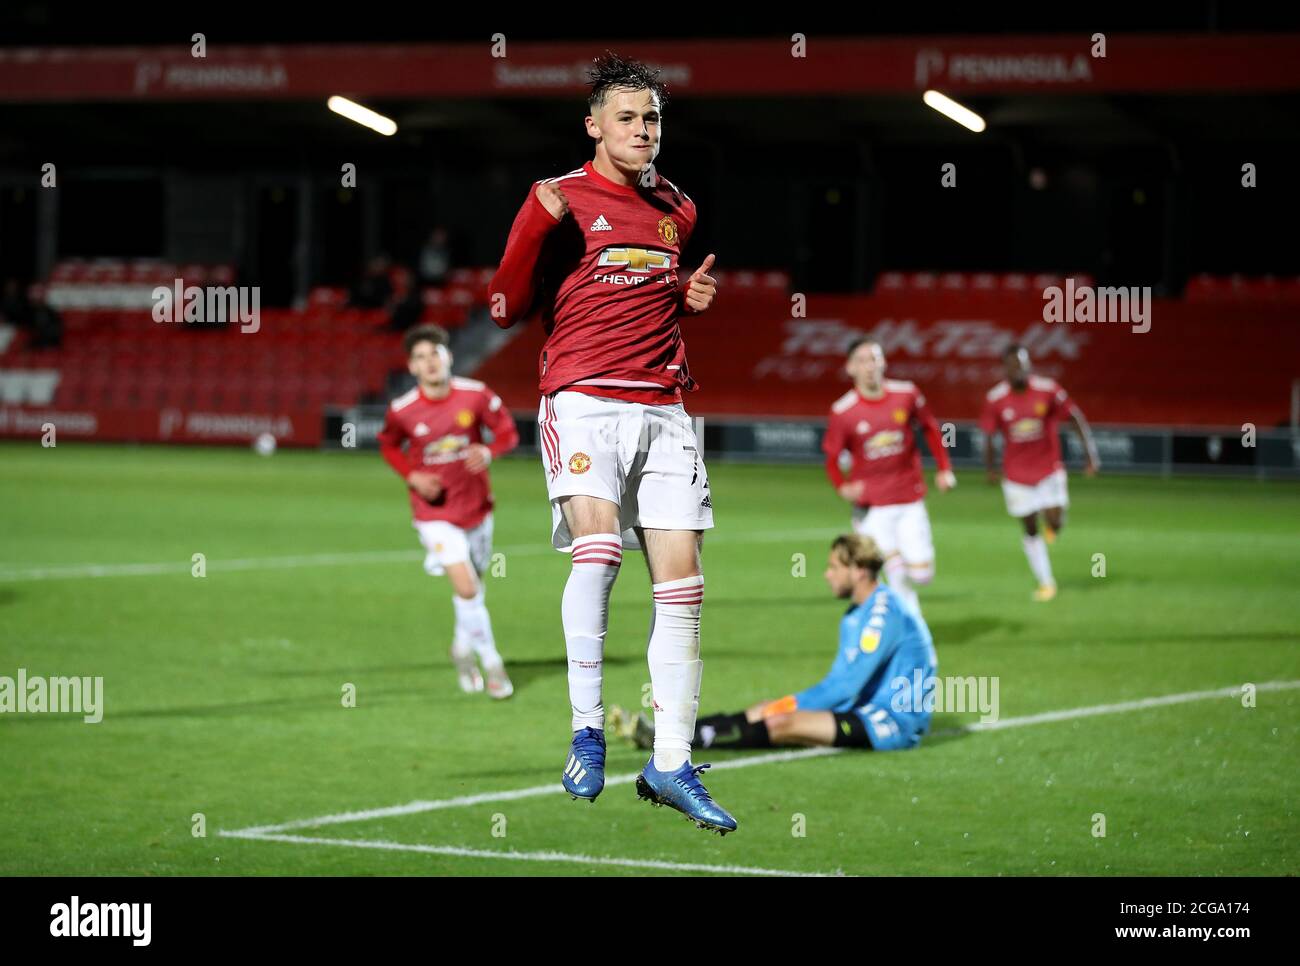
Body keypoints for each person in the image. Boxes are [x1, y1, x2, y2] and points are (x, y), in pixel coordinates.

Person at [486, 52, 735, 834]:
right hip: (585, 401)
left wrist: (687, 300)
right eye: (626, 118)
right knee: (601, 552)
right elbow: (502, 307)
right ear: (593, 126)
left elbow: (648, 297)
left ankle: (669, 761)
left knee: (685, 585)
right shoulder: (560, 199)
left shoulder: (677, 209)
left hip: (663, 406)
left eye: (652, 118)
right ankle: (588, 729)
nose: (642, 131)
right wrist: (535, 219)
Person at [613, 534, 938, 753]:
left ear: (859, 570)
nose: (826, 575)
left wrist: (788, 703)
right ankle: (672, 735)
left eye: (834, 567)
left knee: (780, 719)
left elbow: (843, 687)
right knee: (764, 709)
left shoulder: (883, 613)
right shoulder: (857, 613)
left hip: (891, 722)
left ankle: (686, 742)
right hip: (864, 709)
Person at [377, 324, 520, 697]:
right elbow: (390, 446)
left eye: (435, 354)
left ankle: (461, 649)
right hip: (433, 514)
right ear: (412, 366)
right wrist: (413, 477)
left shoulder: (475, 396)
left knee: (473, 589)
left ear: (448, 357)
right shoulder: (403, 409)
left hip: (476, 508)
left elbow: (508, 432)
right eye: (421, 358)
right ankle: (492, 664)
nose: (429, 363)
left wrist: (489, 451)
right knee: (466, 585)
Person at [823, 338, 955, 615]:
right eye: (862, 360)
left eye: (874, 358)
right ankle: (908, 632)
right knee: (894, 572)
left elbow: (931, 428)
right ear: (850, 368)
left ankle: (896, 619)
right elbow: (832, 459)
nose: (869, 366)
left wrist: (944, 469)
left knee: (921, 575)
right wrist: (841, 486)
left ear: (883, 362)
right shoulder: (843, 410)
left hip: (909, 499)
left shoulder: (906, 394)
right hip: (872, 508)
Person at [981, 343, 1100, 601]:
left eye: (1021, 365)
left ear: (1028, 366)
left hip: (1048, 470)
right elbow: (989, 436)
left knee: (1055, 520)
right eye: (1012, 366)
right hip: (1016, 476)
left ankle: (1053, 528)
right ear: (1005, 369)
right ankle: (1046, 582)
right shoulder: (996, 398)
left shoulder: (1048, 390)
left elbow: (1075, 418)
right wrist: (990, 469)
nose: (1017, 370)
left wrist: (1090, 455)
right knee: (1030, 526)